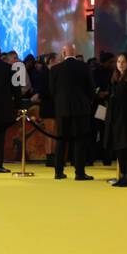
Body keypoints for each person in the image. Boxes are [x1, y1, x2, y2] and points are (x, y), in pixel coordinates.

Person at [49, 44, 93, 180]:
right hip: (81, 109)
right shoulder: (84, 67)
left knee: (61, 140)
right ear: (75, 52)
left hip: (62, 110)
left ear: (63, 52)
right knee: (80, 140)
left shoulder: (55, 69)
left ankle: (58, 171)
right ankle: (79, 172)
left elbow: (52, 91)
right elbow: (91, 88)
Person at [104, 52, 127, 186]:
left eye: (123, 62)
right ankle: (122, 176)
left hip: (125, 118)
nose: (121, 64)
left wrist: (120, 100)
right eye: (118, 62)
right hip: (115, 117)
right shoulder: (115, 79)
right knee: (119, 147)